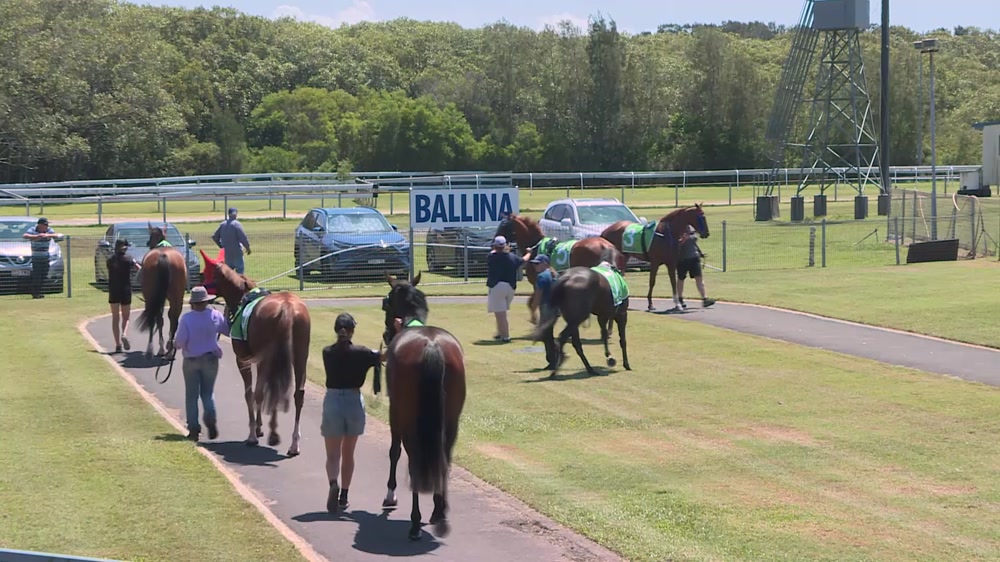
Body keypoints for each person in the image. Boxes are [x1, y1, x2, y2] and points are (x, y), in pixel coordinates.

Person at [321, 312, 383, 513]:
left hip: (332, 401)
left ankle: (332, 483)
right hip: (354, 402)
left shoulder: (326, 352)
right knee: (348, 452)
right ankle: (344, 495)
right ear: (352, 331)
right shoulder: (362, 353)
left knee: (332, 454)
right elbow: (383, 357)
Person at [173, 286, 229, 442]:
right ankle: (210, 417)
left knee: (191, 395)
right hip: (210, 359)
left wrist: (174, 345)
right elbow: (227, 330)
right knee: (207, 393)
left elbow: (180, 342)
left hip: (191, 360)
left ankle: (193, 429)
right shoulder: (215, 315)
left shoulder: (187, 318)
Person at [486, 235, 530, 343]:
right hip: (510, 287)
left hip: (497, 287)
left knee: (501, 314)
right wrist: (529, 252)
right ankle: (500, 332)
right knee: (501, 312)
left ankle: (505, 336)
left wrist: (504, 249)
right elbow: (523, 260)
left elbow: (493, 253)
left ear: (495, 246)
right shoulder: (512, 257)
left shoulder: (491, 257)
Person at [107, 239, 141, 353]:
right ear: (125, 247)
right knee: (126, 317)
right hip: (125, 289)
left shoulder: (110, 260)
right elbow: (139, 268)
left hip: (113, 290)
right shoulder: (129, 258)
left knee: (115, 317)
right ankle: (124, 333)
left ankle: (117, 345)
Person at [677, 225, 716, 310]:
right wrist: (683, 239)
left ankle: (705, 299)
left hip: (694, 257)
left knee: (699, 278)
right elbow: (675, 244)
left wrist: (700, 252)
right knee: (681, 279)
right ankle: (679, 299)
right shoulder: (678, 228)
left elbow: (694, 242)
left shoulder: (691, 228)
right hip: (682, 259)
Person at [21, 217, 62, 299]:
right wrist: (37, 237)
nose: (46, 226)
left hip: (46, 257)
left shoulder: (49, 230)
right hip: (36, 258)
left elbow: (58, 235)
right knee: (37, 276)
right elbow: (25, 235)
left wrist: (47, 235)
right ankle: (35, 293)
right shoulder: (32, 229)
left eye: (47, 225)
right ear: (39, 225)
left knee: (44, 275)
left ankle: (39, 292)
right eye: (45, 225)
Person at [530, 254, 559, 367]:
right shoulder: (555, 275)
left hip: (547, 307)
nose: (535, 266)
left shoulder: (542, 276)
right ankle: (554, 358)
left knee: (545, 334)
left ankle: (554, 359)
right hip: (556, 307)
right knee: (547, 333)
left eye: (537, 264)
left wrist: (533, 311)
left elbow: (538, 295)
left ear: (545, 264)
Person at [212, 207, 252, 274]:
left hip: (227, 252)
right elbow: (243, 238)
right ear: (236, 214)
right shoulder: (237, 224)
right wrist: (247, 248)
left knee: (229, 273)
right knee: (239, 271)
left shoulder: (223, 224)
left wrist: (221, 245)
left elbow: (215, 237)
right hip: (237, 251)